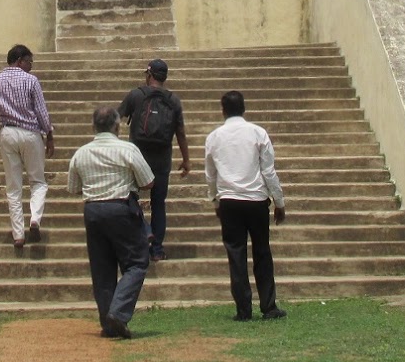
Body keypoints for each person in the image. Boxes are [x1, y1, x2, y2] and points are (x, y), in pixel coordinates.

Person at [67, 104, 155, 339]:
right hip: (121, 208)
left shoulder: (81, 153)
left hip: (93, 210)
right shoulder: (128, 149)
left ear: (93, 127)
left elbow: (74, 188)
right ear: (117, 126)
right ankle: (118, 312)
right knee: (137, 263)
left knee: (102, 269)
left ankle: (108, 322)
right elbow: (148, 182)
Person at [203, 89, 287, 321]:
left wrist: (215, 199)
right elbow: (268, 171)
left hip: (229, 201)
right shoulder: (258, 133)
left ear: (223, 110)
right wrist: (279, 201)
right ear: (244, 108)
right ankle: (269, 306)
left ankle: (243, 310)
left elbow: (210, 175)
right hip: (256, 200)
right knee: (262, 252)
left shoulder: (214, 137)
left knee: (236, 254)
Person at [0, 44, 55, 249]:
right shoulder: (31, 81)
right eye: (29, 62)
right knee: (38, 181)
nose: (31, 66)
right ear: (20, 60)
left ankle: (18, 235)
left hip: (7, 133)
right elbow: (41, 111)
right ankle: (35, 219)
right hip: (31, 133)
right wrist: (49, 135)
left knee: (13, 187)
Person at [118, 58, 189, 262]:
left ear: (149, 75)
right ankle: (157, 250)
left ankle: (143, 231)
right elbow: (180, 132)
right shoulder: (173, 100)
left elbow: (115, 117)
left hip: (137, 156)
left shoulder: (136, 95)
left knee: (129, 198)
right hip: (162, 159)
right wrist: (186, 159)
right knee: (158, 204)